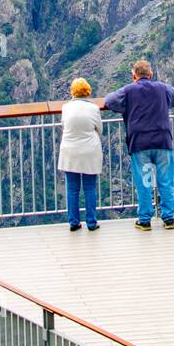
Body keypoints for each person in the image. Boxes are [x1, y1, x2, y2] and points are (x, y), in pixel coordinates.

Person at [103, 59, 174, 231]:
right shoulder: (162, 88)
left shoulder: (128, 91)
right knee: (166, 181)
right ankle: (168, 218)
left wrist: (127, 107)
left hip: (140, 142)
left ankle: (145, 220)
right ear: (151, 74)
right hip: (162, 140)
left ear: (134, 76)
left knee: (144, 182)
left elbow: (109, 101)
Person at [58, 78, 103, 231]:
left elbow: (64, 126)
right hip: (89, 151)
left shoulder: (66, 108)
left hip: (70, 151)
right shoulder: (94, 108)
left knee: (72, 188)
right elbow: (100, 129)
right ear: (87, 91)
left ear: (73, 91)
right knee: (89, 188)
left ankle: (73, 222)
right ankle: (91, 222)